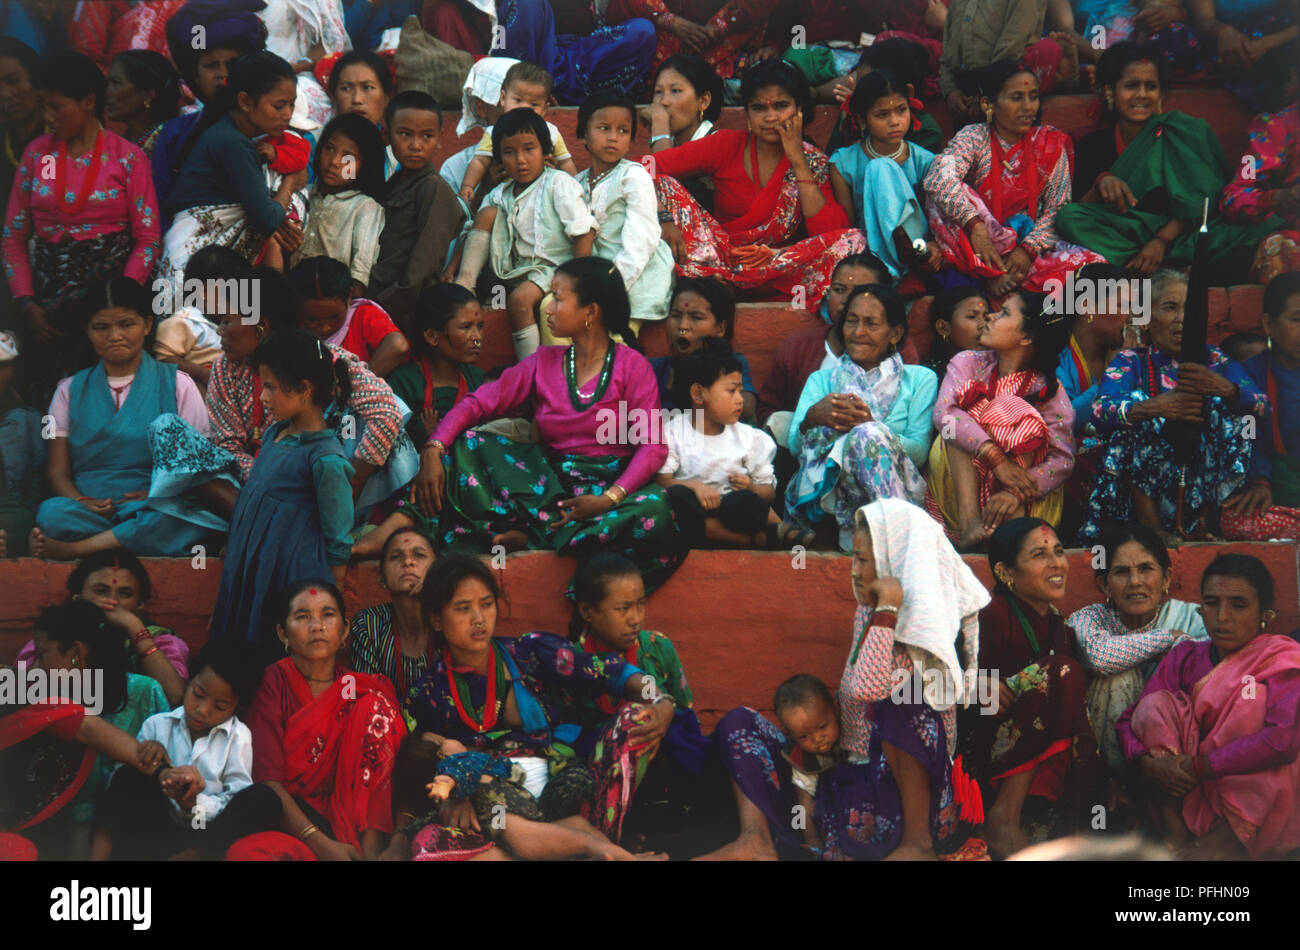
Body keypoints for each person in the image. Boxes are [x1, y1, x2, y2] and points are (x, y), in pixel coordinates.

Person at [704, 499, 989, 860]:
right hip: (837, 779)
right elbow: (853, 692)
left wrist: (887, 610)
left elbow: (867, 687)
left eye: (863, 560)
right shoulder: (868, 611)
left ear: (894, 560)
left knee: (906, 699)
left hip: (888, 796)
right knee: (738, 723)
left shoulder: (925, 628)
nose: (854, 571)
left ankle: (917, 843)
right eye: (853, 558)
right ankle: (756, 840)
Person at [415, 258, 683, 592]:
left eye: (558, 298)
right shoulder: (543, 362)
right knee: (466, 443)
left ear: (591, 312)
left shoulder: (633, 367)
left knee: (657, 508)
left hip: (608, 492)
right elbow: (478, 403)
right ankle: (550, 531)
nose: (549, 308)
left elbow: (653, 446)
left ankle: (536, 533)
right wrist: (433, 447)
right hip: (547, 489)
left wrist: (610, 499)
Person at [406, 555, 676, 852]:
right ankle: (602, 852)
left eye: (486, 604)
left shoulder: (527, 653)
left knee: (635, 718)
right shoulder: (427, 692)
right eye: (463, 609)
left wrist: (658, 697)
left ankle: (601, 847)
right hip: (492, 800)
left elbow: (605, 670)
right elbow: (419, 757)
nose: (479, 619)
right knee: (462, 824)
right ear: (436, 619)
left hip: (556, 786)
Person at [1118, 554, 1300, 860]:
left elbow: (1283, 741)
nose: (1222, 617)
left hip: (1253, 792)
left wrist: (1203, 766)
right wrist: (1148, 764)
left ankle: (1224, 842)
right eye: (1212, 603)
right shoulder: (1186, 657)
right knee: (1155, 706)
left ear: (1264, 614)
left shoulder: (1282, 657)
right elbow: (1129, 720)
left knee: (1251, 702)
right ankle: (1175, 835)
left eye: (1238, 605)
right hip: (1184, 786)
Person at [4, 51, 161, 406]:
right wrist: (28, 303)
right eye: (43, 106)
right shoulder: (41, 157)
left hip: (110, 307)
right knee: (50, 403)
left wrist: (118, 305)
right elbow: (14, 237)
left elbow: (148, 239)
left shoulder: (126, 159)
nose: (47, 117)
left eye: (56, 107)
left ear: (88, 102)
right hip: (48, 310)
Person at [29, 278, 225, 561]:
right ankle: (126, 540)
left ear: (147, 325)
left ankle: (81, 548)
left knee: (178, 517)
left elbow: (198, 469)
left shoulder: (180, 384)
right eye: (101, 327)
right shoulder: (66, 390)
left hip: (154, 507)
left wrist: (153, 494)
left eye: (126, 324)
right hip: (88, 511)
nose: (114, 336)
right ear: (86, 330)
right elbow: (56, 472)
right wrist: (80, 502)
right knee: (51, 513)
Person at [1055, 41, 1276, 283]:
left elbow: (1202, 204)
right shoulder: (1092, 143)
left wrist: (1160, 242)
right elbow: (1082, 212)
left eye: (1150, 86)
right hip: (1128, 235)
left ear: (1161, 93)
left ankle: (1156, 267)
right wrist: (1101, 182)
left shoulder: (1183, 131)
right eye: (1131, 86)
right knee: (1068, 218)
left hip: (1182, 235)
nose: (1141, 95)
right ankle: (1169, 270)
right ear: (1110, 90)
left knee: (1257, 226)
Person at [201, 268, 412, 520]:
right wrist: (264, 476)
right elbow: (227, 446)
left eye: (226, 321)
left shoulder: (320, 357)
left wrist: (349, 487)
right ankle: (260, 520)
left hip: (316, 485)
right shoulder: (225, 369)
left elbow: (387, 413)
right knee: (169, 432)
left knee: (357, 419)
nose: (219, 331)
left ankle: (275, 523)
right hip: (254, 484)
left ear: (261, 325)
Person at [651, 59, 867, 303]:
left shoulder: (813, 160)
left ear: (799, 110)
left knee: (853, 241)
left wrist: (797, 159)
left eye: (781, 106)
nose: (770, 117)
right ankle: (714, 282)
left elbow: (828, 231)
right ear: (747, 113)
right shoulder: (725, 144)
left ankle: (725, 286)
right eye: (759, 108)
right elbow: (645, 165)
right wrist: (664, 217)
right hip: (720, 259)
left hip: (778, 266)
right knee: (664, 184)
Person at [1081, 269, 1268, 543]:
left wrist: (1224, 389)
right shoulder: (1131, 361)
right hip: (1140, 492)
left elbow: (1262, 406)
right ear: (1145, 320)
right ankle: (1152, 526)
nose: (1183, 318)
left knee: (1231, 412)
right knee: (1135, 411)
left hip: (1197, 477)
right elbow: (1100, 411)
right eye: (1170, 308)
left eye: (1190, 309)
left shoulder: (1214, 359)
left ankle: (1204, 521)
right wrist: (1156, 407)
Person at [209, 330, 354, 665]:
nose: (263, 397)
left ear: (304, 389)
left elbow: (338, 533)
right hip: (250, 562)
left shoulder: (326, 459)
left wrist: (332, 591)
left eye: (271, 387)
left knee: (270, 650)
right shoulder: (276, 433)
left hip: (286, 572)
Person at [963, 518, 1102, 858]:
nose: (1057, 563)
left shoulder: (1059, 625)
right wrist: (975, 684)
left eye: (1058, 551)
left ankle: (1065, 828)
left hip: (1038, 768)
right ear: (1006, 572)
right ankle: (1002, 820)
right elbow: (938, 684)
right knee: (1062, 671)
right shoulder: (992, 616)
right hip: (982, 763)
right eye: (1039, 555)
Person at [247, 580, 407, 861]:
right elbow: (268, 780)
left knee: (376, 706)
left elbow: (395, 772)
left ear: (344, 630)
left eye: (327, 615)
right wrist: (321, 844)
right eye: (302, 616)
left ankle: (369, 851)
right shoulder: (272, 683)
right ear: (282, 633)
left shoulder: (361, 689)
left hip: (362, 832)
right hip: (295, 820)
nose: (317, 626)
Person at [90, 639, 281, 861]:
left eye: (220, 706)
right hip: (156, 825)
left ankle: (189, 857)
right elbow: (120, 786)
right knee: (128, 776)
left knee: (264, 799)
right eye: (198, 695)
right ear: (189, 682)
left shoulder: (239, 737)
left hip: (202, 830)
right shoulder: (157, 725)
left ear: (237, 706)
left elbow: (236, 797)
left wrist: (195, 805)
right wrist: (152, 762)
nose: (202, 710)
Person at [924, 61, 1103, 297]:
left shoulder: (1051, 143)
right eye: (1017, 98)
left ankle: (1008, 274)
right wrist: (975, 225)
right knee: (944, 185)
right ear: (989, 104)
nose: (1028, 107)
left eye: (1033, 97)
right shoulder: (974, 137)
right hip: (976, 243)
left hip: (1026, 247)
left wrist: (1026, 251)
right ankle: (988, 274)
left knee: (1096, 266)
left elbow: (1058, 207)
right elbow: (939, 179)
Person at [788, 285, 938, 551]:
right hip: (835, 492)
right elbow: (794, 446)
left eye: (871, 324)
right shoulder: (822, 380)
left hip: (901, 488)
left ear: (895, 333)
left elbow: (919, 452)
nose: (858, 333)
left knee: (865, 435)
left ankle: (889, 536)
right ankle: (897, 541)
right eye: (852, 322)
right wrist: (812, 419)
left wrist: (870, 428)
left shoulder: (919, 379)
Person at [925, 290, 1076, 549]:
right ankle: (970, 523)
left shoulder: (1049, 390)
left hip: (1022, 500)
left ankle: (1008, 534)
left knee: (1017, 414)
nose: (991, 317)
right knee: (958, 423)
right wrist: (994, 458)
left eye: (1004, 313)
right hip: (960, 491)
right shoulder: (967, 362)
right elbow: (944, 415)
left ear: (1027, 337)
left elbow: (1063, 458)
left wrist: (1014, 493)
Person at [453, 109, 595, 362]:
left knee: (519, 301)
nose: (520, 160)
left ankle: (530, 371)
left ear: (546, 152)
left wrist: (578, 279)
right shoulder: (501, 192)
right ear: (499, 159)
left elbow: (583, 229)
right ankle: (465, 286)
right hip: (510, 271)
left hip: (552, 267)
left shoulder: (558, 183)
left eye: (529, 149)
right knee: (486, 213)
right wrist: (453, 266)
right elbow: (472, 229)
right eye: (509, 152)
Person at [156, 51, 308, 285]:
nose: (288, 114)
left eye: (291, 105)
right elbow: (266, 220)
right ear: (245, 102)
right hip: (194, 262)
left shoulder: (234, 136)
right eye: (279, 106)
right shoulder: (232, 143)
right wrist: (289, 184)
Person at [1067, 524, 1207, 772]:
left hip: (1175, 750)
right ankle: (1117, 784)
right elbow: (1098, 657)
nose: (1135, 582)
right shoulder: (1090, 618)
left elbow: (1212, 669)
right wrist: (1166, 639)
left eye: (1145, 569)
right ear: (1104, 586)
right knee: (1116, 677)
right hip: (1108, 759)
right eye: (1121, 572)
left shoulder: (1190, 618)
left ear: (1165, 578)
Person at [31, 600, 170, 840]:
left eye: (42, 655)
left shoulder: (145, 693)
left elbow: (167, 771)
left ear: (76, 652)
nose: (35, 667)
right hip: (56, 834)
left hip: (126, 837)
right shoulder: (42, 698)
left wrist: (157, 750)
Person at [657, 341, 793, 548]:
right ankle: (759, 541)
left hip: (736, 515)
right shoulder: (673, 433)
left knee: (743, 501)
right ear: (698, 394)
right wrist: (693, 486)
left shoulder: (749, 438)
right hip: (696, 517)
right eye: (731, 391)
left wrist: (751, 487)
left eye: (741, 390)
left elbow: (769, 492)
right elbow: (662, 481)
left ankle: (784, 532)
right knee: (677, 498)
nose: (740, 400)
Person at [154, 0, 269, 228]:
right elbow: (161, 207)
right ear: (194, 75)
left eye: (232, 64)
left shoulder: (273, 130)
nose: (222, 74)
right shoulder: (173, 136)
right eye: (210, 65)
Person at [756, 253, 892, 444]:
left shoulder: (897, 351)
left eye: (862, 292)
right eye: (838, 289)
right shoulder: (798, 347)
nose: (847, 299)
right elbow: (767, 413)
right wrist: (809, 420)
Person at [829, 69, 942, 281]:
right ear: (863, 120)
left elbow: (934, 218)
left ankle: (903, 262)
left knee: (881, 167)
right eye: (882, 115)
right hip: (869, 252)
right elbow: (849, 228)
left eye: (901, 110)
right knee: (880, 168)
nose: (895, 122)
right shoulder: (842, 164)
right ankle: (889, 269)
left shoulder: (925, 160)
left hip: (919, 250)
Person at [576, 91, 675, 331]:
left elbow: (642, 239)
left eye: (623, 131)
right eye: (603, 128)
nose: (613, 137)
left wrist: (611, 286)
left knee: (614, 341)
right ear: (583, 135)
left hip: (633, 276)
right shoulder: (576, 183)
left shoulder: (634, 175)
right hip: (594, 278)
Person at [368, 91, 466, 330]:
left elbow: (424, 266)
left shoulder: (433, 188)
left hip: (403, 307)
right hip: (378, 294)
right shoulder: (395, 183)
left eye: (427, 136)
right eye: (404, 134)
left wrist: (386, 305)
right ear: (386, 134)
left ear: (440, 138)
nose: (416, 146)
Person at [1221, 271, 1300, 540]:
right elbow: (1247, 430)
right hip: (1272, 493)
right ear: (1268, 325)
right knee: (1235, 520)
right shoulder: (1246, 376)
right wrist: (1259, 480)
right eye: (1297, 319)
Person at [284, 113, 387, 293]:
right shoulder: (303, 194)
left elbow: (361, 269)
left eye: (348, 157)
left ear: (365, 166)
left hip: (334, 301)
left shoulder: (364, 207)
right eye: (329, 149)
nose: (334, 162)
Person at [456, 61, 580, 207]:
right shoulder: (494, 132)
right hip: (504, 198)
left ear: (545, 108)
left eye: (534, 104)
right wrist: (468, 186)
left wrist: (576, 188)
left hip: (543, 198)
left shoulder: (551, 132)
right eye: (518, 100)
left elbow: (566, 162)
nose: (524, 107)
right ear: (503, 99)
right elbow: (480, 161)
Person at [347, 526, 438, 713]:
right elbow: (368, 698)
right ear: (381, 577)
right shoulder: (368, 624)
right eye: (396, 557)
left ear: (437, 568)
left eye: (419, 555)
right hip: (387, 728)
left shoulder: (449, 618)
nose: (408, 562)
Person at [384, 283, 486, 449]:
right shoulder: (405, 383)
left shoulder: (480, 381)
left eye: (479, 327)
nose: (477, 338)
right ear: (432, 336)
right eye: (466, 327)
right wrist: (421, 434)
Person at [1220, 72, 1299, 284]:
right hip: (1294, 236)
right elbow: (1233, 196)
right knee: (1277, 251)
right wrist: (1276, 198)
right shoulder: (1277, 127)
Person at [652, 277, 757, 419]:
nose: (683, 326)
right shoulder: (652, 368)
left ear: (720, 328)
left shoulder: (731, 364)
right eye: (676, 315)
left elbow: (746, 406)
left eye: (696, 317)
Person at [290, 256, 409, 377]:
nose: (325, 327)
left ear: (349, 297)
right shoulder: (292, 327)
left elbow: (398, 345)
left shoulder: (362, 315)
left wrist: (359, 381)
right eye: (313, 320)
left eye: (334, 317)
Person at [598, 0, 771, 80]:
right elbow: (617, 8)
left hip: (721, 46)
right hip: (661, 45)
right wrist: (669, 21)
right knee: (640, 30)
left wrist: (717, 28)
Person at [152, 245, 243, 391]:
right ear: (204, 291)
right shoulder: (186, 322)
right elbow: (163, 360)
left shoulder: (233, 323)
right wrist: (201, 373)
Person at [641, 54, 724, 211]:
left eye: (675, 91)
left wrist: (659, 125)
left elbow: (668, 191)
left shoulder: (717, 143)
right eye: (658, 92)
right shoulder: (667, 143)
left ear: (703, 101)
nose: (664, 101)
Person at [0, 331, 43, 558]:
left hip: (15, 515)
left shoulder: (28, 419)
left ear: (13, 370)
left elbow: (39, 479)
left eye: (2, 366)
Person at [104, 49, 181, 156]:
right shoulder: (117, 145)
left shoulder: (173, 144)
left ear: (148, 95)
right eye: (108, 83)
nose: (107, 92)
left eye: (116, 83)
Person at [923, 287, 990, 380]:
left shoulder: (994, 370)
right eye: (972, 317)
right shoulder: (927, 376)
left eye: (987, 318)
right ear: (943, 327)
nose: (983, 324)